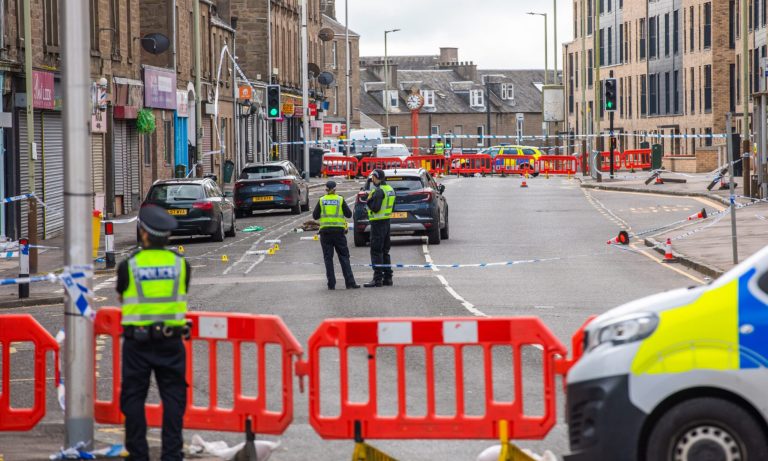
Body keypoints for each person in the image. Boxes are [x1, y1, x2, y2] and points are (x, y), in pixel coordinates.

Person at [116, 205, 191, 461]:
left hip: (136, 343)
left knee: (133, 399)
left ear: (144, 234)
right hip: (171, 342)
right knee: (173, 399)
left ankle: (138, 455)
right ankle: (172, 455)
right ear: (167, 236)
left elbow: (121, 295)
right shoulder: (181, 265)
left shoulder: (129, 266)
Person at [312, 180, 360, 290]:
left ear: (326, 189)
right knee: (344, 257)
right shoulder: (340, 199)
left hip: (325, 233)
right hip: (339, 233)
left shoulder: (322, 200)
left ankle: (331, 284)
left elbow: (315, 216)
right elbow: (348, 214)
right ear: (335, 189)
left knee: (328, 259)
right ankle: (350, 282)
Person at [364, 169, 395, 287]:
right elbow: (393, 207)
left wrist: (368, 202)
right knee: (385, 251)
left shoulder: (379, 191)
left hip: (377, 223)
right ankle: (388, 278)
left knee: (376, 251)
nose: (372, 180)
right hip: (387, 222)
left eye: (373, 178)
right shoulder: (390, 190)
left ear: (376, 178)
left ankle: (377, 280)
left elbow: (375, 208)